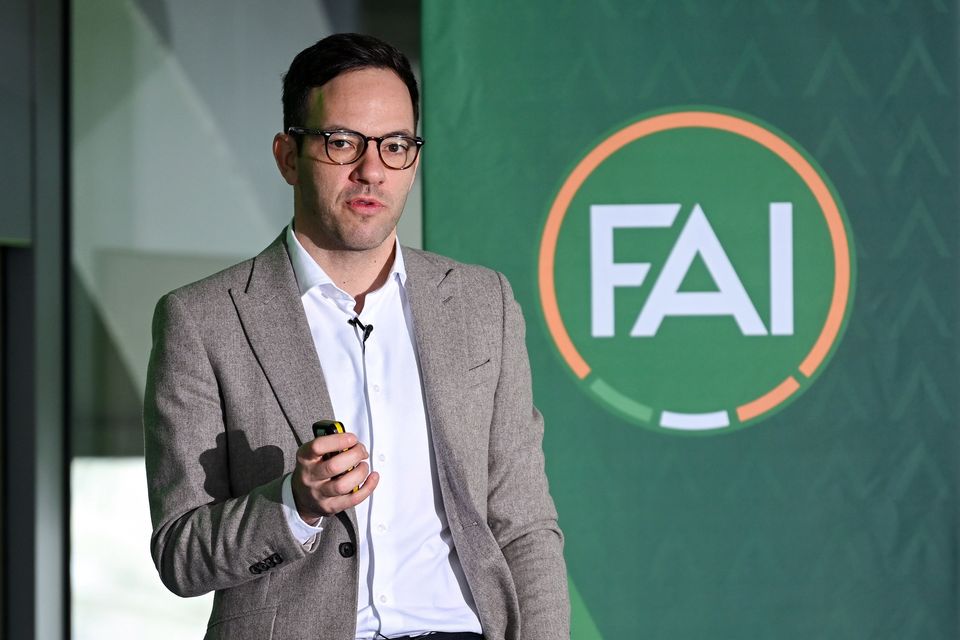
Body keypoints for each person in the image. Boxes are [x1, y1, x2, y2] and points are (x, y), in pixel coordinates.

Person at [144, 32, 569, 640]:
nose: (371, 170)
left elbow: (524, 524)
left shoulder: (482, 303)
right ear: (288, 155)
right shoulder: (203, 319)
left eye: (395, 145)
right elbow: (180, 556)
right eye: (342, 142)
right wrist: (295, 503)